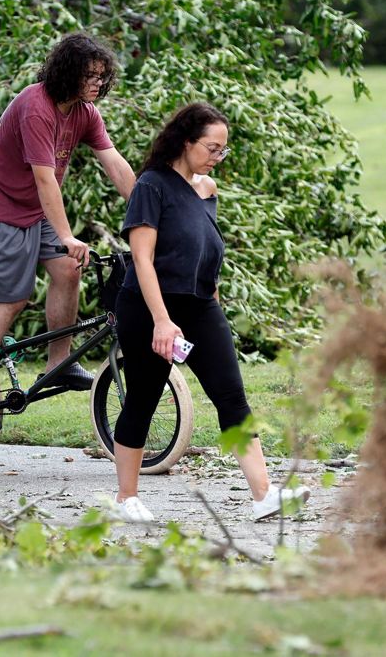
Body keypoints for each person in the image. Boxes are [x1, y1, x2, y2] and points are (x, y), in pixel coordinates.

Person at [109, 102, 310, 523]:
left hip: (200, 305)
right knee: (144, 398)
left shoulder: (206, 190)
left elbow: (202, 250)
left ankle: (264, 495)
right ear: (186, 142)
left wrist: (212, 303)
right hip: (149, 307)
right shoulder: (152, 185)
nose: (218, 158)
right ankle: (127, 498)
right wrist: (162, 321)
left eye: (223, 150)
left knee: (231, 395)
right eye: (212, 148)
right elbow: (142, 260)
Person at [0, 33, 135, 429]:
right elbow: (46, 180)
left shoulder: (84, 112)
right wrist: (67, 237)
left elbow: (113, 160)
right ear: (67, 73)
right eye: (90, 76)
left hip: (34, 211)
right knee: (12, 298)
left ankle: (59, 364)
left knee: (69, 270)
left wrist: (146, 212)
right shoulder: (37, 107)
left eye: (102, 76)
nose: (98, 84)